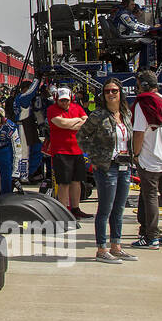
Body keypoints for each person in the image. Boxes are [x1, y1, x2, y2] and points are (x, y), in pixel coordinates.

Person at [78, 80, 137, 264]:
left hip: (125, 167)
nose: (111, 94)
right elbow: (82, 136)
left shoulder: (126, 114)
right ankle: (101, 249)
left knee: (119, 209)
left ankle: (116, 246)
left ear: (121, 93)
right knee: (105, 208)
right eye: (107, 91)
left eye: (114, 90)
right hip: (106, 167)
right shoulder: (98, 115)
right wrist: (94, 158)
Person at [130, 71, 162, 250]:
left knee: (150, 196)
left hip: (149, 159)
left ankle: (152, 237)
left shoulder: (142, 104)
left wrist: (135, 154)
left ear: (142, 85)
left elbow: (138, 133)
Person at [47, 87, 90, 219]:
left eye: (66, 100)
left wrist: (70, 123)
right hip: (61, 151)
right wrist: (77, 121)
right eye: (62, 101)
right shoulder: (52, 110)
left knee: (76, 181)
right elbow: (61, 123)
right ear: (56, 100)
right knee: (63, 183)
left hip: (77, 150)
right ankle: (63, 210)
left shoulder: (77, 107)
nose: (65, 103)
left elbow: (86, 121)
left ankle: (75, 208)